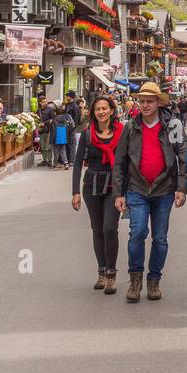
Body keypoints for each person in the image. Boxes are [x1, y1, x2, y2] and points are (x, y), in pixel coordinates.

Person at [113, 82, 187, 303]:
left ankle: (154, 279)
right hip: (136, 189)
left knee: (160, 238)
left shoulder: (172, 125)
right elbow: (120, 162)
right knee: (137, 233)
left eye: (149, 101)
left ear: (158, 103)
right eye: (142, 101)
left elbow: (183, 157)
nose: (144, 105)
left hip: (164, 190)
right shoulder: (130, 127)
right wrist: (119, 193)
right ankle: (135, 280)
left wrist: (181, 188)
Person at [72, 95, 124, 295]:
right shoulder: (87, 134)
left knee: (110, 228)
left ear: (112, 110)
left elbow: (126, 161)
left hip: (114, 184)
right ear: (93, 113)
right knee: (97, 229)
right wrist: (75, 191)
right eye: (97, 109)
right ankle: (101, 271)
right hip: (91, 184)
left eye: (104, 108)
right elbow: (77, 163)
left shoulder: (122, 132)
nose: (101, 112)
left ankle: (111, 274)